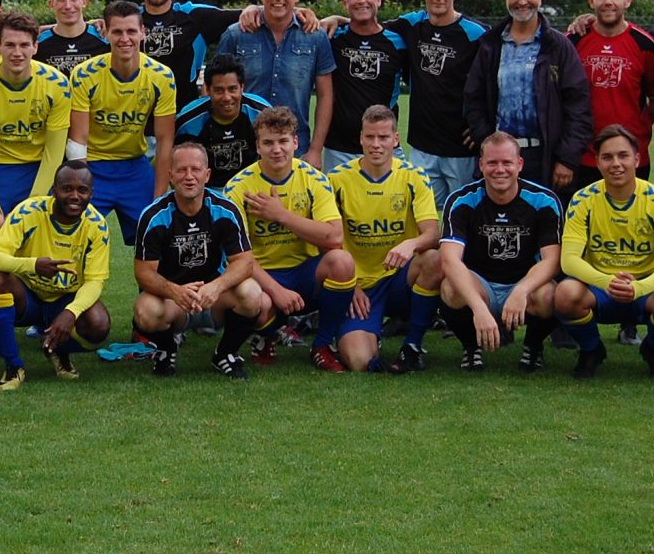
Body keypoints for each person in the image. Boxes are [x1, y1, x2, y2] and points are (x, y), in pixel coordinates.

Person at [416, 131, 562, 374]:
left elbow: (552, 261)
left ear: (520, 164)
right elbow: (450, 260)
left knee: (551, 295)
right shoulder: (462, 200)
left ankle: (533, 347)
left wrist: (522, 290)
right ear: (481, 164)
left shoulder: (543, 200)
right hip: (480, 284)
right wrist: (479, 308)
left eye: (507, 162)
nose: (500, 170)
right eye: (492, 163)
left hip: (523, 281)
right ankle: (471, 347)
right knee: (450, 289)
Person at [553, 125, 654, 380]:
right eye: (607, 157)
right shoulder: (583, 199)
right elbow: (569, 260)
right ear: (597, 162)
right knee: (565, 294)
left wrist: (639, 287)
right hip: (600, 287)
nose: (616, 164)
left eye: (623, 156)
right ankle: (591, 350)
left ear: (637, 159)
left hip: (645, 288)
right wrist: (608, 282)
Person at [223, 106, 353, 368]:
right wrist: (276, 290)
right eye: (268, 142)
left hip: (304, 272)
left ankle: (323, 343)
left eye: (283, 141)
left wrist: (281, 215)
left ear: (296, 142)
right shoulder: (238, 187)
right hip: (260, 274)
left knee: (342, 262)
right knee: (255, 301)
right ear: (257, 146)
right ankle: (265, 336)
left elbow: (334, 237)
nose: (276, 149)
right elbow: (236, 256)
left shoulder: (314, 179)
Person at [323, 106, 441, 373]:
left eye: (384, 137)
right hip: (360, 287)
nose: (376, 145)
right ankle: (364, 335)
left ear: (395, 139)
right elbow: (325, 241)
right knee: (359, 362)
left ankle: (412, 345)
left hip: (400, 279)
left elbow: (432, 233)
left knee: (435, 258)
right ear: (360, 138)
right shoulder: (336, 180)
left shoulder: (414, 177)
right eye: (370, 137)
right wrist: (347, 286)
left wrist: (411, 244)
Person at [132, 141, 264, 379]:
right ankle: (166, 349)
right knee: (145, 310)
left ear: (207, 174)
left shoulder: (225, 209)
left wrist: (216, 286)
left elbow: (245, 262)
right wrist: (175, 291)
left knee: (254, 295)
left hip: (215, 299)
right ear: (170, 176)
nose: (189, 176)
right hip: (174, 301)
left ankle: (225, 353)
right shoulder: (153, 215)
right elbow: (143, 272)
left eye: (195, 169)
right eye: (181, 170)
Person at [0, 161, 113, 390]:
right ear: (54, 189)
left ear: (92, 192)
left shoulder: (96, 225)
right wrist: (32, 265)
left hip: (64, 299)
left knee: (98, 325)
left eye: (82, 190)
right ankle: (13, 366)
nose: (74, 196)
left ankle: (56, 351)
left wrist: (71, 312)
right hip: (27, 298)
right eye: (67, 188)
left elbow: (95, 281)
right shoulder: (28, 211)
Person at [463, 0, 593, 201]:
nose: (522, 1)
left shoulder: (559, 47)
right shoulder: (490, 45)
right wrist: (486, 141)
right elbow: (474, 98)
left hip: (545, 158)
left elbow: (578, 106)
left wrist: (566, 158)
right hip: (501, 158)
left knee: (545, 229)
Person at [68, 1, 177, 241]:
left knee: (158, 235)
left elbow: (165, 139)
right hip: (92, 166)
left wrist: (159, 198)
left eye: (131, 31)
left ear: (143, 32)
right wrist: (80, 187)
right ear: (105, 33)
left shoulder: (161, 76)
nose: (125, 38)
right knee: (74, 235)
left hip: (135, 167)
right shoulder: (84, 74)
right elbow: (78, 139)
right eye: (117, 31)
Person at [0, 13, 73, 234]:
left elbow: (53, 155)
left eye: (24, 45)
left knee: (35, 246)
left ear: (35, 47)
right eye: (9, 45)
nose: (17, 53)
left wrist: (27, 212)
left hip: (37, 170)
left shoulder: (57, 85)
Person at [215, 0, 336, 169]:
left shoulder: (315, 37)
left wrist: (315, 150)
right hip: (243, 144)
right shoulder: (236, 35)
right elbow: (213, 89)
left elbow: (325, 96)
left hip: (296, 145)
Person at [391, 0, 489, 214]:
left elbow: (494, 82)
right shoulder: (411, 25)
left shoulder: (476, 34)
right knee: (424, 218)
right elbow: (369, 28)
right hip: (423, 148)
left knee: (463, 216)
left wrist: (483, 126)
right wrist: (336, 18)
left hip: (461, 150)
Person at [565, 0, 654, 195]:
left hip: (630, 158)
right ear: (591, 0)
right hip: (584, 157)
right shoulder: (573, 41)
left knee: (630, 226)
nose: (608, 1)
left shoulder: (645, 45)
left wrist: (636, 128)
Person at [320, 0, 407, 173]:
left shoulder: (399, 43)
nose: (361, 0)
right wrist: (255, 9)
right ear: (344, 2)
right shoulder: (331, 37)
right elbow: (287, 10)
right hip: (339, 150)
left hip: (385, 147)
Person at [136, 0, 243, 108]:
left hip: (184, 115)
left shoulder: (195, 16)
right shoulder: (130, 19)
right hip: (138, 116)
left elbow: (246, 16)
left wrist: (253, 9)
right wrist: (97, 22)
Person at [174, 54, 271, 190]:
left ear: (242, 87)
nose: (227, 97)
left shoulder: (262, 113)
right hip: (206, 192)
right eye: (219, 90)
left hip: (251, 189)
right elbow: (176, 165)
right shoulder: (188, 121)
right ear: (207, 90)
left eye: (232, 89)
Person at [33, 0, 109, 73]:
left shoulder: (103, 39)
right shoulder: (38, 44)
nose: (68, 6)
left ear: (84, 1)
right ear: (51, 4)